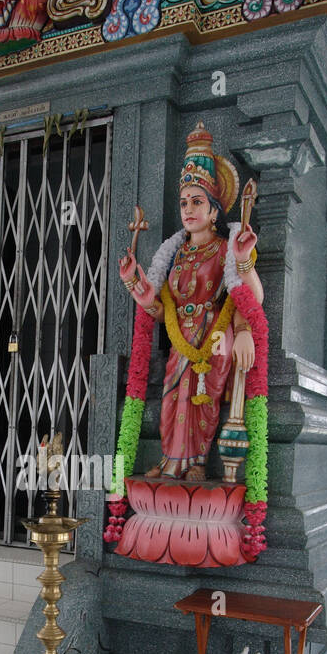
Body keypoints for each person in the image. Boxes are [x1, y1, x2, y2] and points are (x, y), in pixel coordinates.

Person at [118, 122, 263, 482]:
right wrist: (137, 287)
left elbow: (249, 298)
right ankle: (171, 460)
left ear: (215, 211)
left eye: (198, 202)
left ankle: (196, 461)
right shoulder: (177, 254)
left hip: (215, 335)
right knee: (172, 398)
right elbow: (160, 310)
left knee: (202, 397)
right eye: (184, 203)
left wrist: (244, 329)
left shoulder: (226, 248)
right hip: (180, 334)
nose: (188, 209)